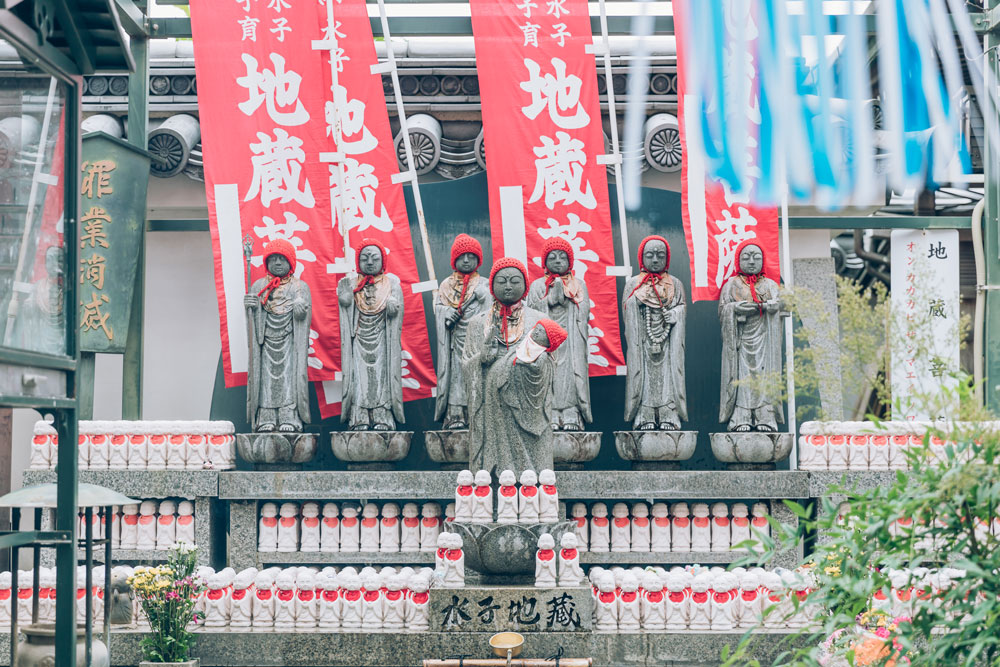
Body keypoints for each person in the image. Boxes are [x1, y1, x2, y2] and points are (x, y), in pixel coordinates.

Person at [463, 257, 567, 474]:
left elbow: (551, 362)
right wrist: (482, 358)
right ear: (491, 286)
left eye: (514, 281)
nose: (508, 286)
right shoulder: (478, 323)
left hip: (527, 402)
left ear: (525, 286)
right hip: (492, 406)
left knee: (532, 470)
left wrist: (529, 365)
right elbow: (467, 365)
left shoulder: (538, 320)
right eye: (502, 281)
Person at [337, 239, 405, 431]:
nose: (369, 262)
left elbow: (397, 313)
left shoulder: (392, 285)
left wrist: (393, 308)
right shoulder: (351, 284)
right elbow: (346, 311)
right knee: (359, 378)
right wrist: (346, 301)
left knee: (381, 378)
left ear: (382, 261)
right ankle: (359, 417)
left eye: (374, 258)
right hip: (358, 339)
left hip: (383, 340)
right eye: (364, 258)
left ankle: (382, 415)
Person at [245, 239, 312, 432]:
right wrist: (251, 306)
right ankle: (266, 417)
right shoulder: (259, 286)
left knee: (288, 378)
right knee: (265, 378)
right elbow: (253, 319)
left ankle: (288, 417)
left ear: (291, 262)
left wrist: (300, 310)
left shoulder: (300, 287)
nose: (277, 263)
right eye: (272, 259)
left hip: (289, 341)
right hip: (265, 341)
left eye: (282, 259)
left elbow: (304, 318)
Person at [622, 235, 687, 430]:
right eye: (650, 255)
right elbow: (627, 309)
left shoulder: (675, 284)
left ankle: (668, 413)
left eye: (661, 255)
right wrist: (637, 302)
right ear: (642, 258)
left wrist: (675, 314)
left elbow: (682, 307)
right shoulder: (633, 284)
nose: (656, 260)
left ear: (667, 258)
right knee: (643, 377)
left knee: (668, 377)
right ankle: (645, 414)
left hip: (668, 344)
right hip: (643, 343)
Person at [718, 240, 784, 432]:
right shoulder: (731, 285)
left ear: (763, 260)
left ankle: (765, 416)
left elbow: (782, 307)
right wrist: (734, 309)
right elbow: (723, 312)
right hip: (740, 340)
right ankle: (741, 417)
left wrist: (773, 308)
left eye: (756, 257)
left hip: (765, 339)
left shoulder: (771, 286)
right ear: (738, 261)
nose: (752, 261)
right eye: (746, 257)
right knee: (741, 378)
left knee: (764, 377)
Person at [526, 237, 591, 431]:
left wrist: (568, 300)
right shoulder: (538, 285)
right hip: (547, 344)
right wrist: (549, 300)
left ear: (570, 261)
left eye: (562, 257)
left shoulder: (578, 284)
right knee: (548, 372)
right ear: (544, 262)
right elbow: (531, 313)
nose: (557, 261)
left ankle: (571, 411)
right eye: (552, 257)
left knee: (570, 375)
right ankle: (551, 412)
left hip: (570, 340)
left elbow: (584, 310)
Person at [434, 234, 491, 429]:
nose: (466, 260)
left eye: (471, 256)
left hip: (477, 342)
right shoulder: (446, 285)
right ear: (454, 260)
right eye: (462, 256)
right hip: (456, 340)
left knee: (476, 376)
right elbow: (439, 307)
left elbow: (492, 314)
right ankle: (455, 414)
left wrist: (486, 299)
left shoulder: (484, 284)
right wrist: (446, 312)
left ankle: (477, 415)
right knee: (457, 377)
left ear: (478, 259)